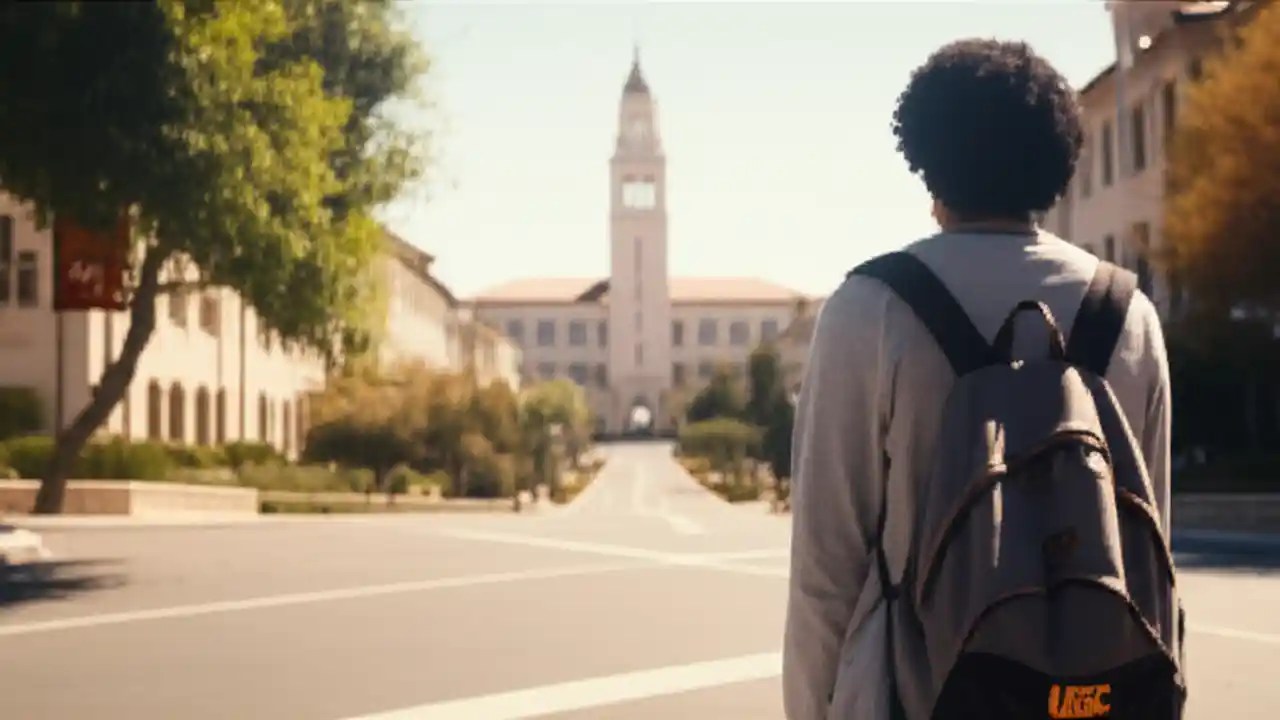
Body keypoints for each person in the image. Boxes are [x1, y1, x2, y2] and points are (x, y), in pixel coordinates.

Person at [782, 39, 1173, 720]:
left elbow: (826, 570)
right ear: (1059, 163)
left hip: (914, 696)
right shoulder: (1128, 315)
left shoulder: (873, 308)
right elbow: (1152, 552)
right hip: (1096, 700)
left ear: (927, 158)